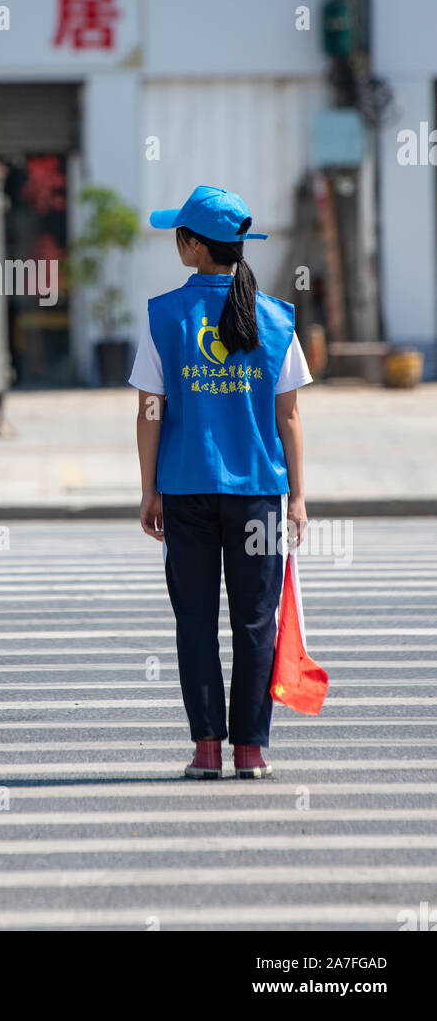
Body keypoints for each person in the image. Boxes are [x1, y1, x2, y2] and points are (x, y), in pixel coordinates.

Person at [130, 185, 312, 780]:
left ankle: (208, 748)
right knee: (257, 621)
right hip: (259, 492)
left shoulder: (163, 315)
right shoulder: (279, 317)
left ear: (192, 246)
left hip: (185, 490)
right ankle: (251, 751)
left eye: (177, 235)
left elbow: (149, 411)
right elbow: (289, 417)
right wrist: (300, 498)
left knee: (195, 621)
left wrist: (148, 489)